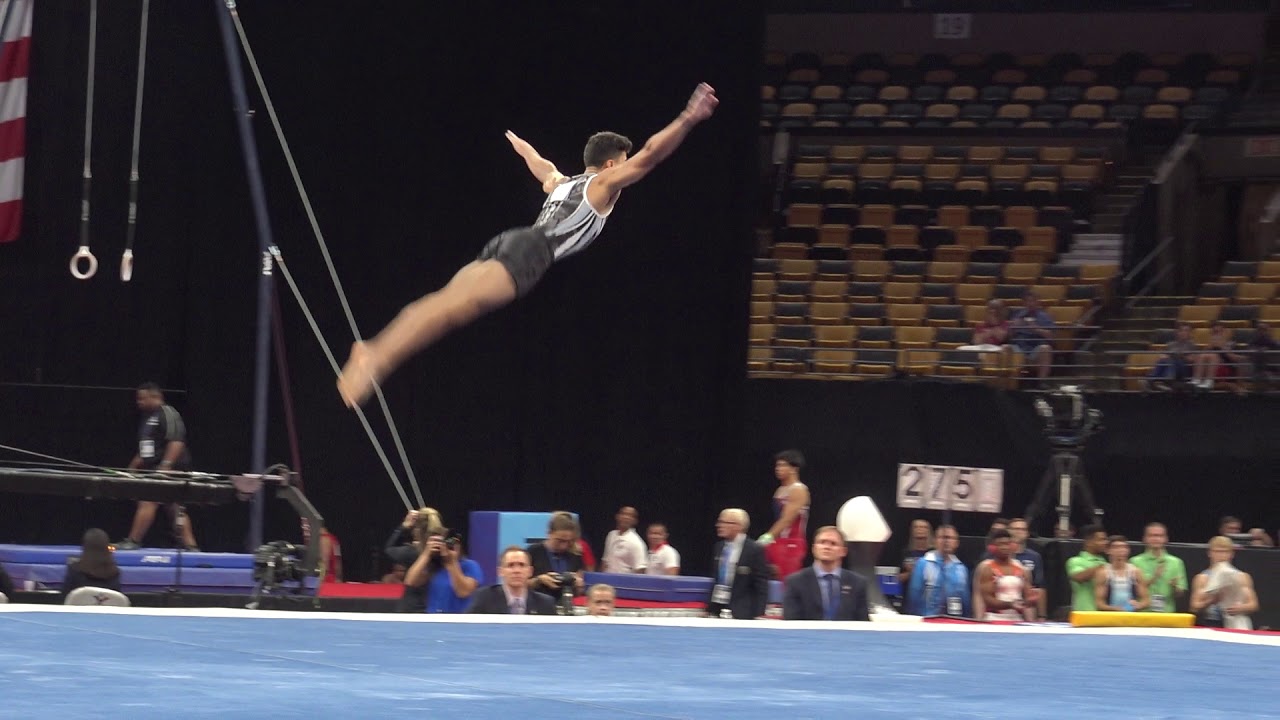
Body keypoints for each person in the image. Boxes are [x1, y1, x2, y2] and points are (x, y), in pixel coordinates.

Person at [336, 83, 720, 407]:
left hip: (512, 240)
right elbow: (651, 156)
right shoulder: (602, 186)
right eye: (620, 164)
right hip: (533, 253)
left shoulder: (561, 182)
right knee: (447, 311)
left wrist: (521, 146)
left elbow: (539, 163)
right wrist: (689, 117)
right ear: (609, 166)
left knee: (445, 302)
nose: (623, 171)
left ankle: (376, 352)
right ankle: (375, 356)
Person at [116, 383, 198, 551]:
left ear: (155, 397)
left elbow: (177, 441)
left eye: (142, 398)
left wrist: (165, 467)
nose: (138, 402)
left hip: (171, 469)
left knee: (148, 500)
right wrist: (131, 468)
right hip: (155, 469)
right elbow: (147, 449)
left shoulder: (168, 413)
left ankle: (133, 540)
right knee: (175, 507)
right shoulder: (147, 419)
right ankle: (191, 546)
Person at [782, 526, 870, 621]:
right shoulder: (795, 582)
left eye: (833, 543)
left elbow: (863, 623)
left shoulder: (857, 583)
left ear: (843, 551)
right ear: (813, 548)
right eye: (822, 542)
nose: (827, 547)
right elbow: (791, 622)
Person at [757, 449, 811, 580]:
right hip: (777, 541)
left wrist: (765, 539)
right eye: (777, 465)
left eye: (782, 465)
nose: (777, 468)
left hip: (792, 544)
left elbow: (786, 520)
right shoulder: (780, 490)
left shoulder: (799, 490)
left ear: (794, 468)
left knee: (786, 582)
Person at [708, 508, 770, 620]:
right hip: (718, 607)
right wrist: (710, 608)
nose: (719, 525)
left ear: (739, 526)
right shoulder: (719, 547)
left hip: (743, 612)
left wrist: (759, 613)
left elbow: (761, 584)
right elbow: (716, 579)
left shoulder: (754, 549)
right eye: (719, 522)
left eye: (724, 522)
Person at [404, 527, 483, 613]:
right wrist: (426, 554)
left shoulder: (470, 565)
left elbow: (463, 592)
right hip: (434, 619)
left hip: (459, 620)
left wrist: (452, 562)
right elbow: (410, 582)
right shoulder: (434, 566)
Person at [1190, 536, 1259, 630]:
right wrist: (1211, 600)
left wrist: (1241, 608)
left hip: (1234, 622)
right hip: (1211, 623)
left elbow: (1253, 604)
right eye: (1217, 552)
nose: (1221, 556)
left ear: (1232, 554)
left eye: (1225, 552)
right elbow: (1194, 606)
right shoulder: (1202, 578)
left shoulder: (1242, 577)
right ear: (1210, 553)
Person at [467, 546, 556, 615]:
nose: (516, 570)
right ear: (500, 571)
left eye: (521, 565)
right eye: (510, 565)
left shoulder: (545, 603)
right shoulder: (484, 598)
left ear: (530, 571)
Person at [905, 524, 970, 618]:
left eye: (950, 538)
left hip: (954, 620)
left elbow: (965, 600)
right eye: (942, 537)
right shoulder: (923, 563)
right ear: (935, 541)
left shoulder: (961, 568)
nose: (946, 541)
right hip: (927, 620)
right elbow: (914, 596)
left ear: (957, 543)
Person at [385, 507, 443, 612]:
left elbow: (389, 550)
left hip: (412, 609)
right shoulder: (442, 552)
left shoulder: (411, 552)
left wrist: (404, 526)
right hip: (436, 607)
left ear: (417, 531)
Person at [974, 529, 1039, 622]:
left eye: (1007, 544)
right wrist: (1009, 604)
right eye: (1000, 544)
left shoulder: (1022, 569)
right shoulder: (987, 568)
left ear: (1012, 546)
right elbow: (987, 599)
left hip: (1017, 620)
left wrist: (1031, 602)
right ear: (993, 547)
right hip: (993, 618)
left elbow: (1027, 599)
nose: (1004, 547)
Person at [1130, 522, 1187, 614]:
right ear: (1144, 539)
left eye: (1160, 536)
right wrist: (1154, 577)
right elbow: (1132, 591)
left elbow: (1180, 594)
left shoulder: (1176, 562)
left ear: (1166, 539)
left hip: (1167, 614)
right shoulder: (1135, 562)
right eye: (1152, 535)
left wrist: (1175, 587)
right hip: (1142, 613)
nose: (1156, 539)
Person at [527, 512, 586, 598]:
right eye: (560, 540)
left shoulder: (575, 555)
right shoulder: (533, 552)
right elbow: (520, 585)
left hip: (566, 603)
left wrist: (578, 585)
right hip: (537, 604)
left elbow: (580, 591)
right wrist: (539, 580)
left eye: (568, 541)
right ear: (549, 533)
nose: (564, 546)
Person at [1094, 535, 1148, 612]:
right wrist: (1117, 609)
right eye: (1116, 547)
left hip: (1130, 616)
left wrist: (1138, 605)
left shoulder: (1136, 572)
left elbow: (1146, 600)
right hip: (1110, 617)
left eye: (1124, 547)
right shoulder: (1103, 573)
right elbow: (1099, 603)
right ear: (1108, 550)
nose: (1121, 550)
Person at [1009, 292, 1055, 381]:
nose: (1030, 303)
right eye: (1027, 301)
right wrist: (1013, 328)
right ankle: (1009, 383)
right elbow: (1009, 336)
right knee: (1005, 347)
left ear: (1038, 303)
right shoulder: (1017, 315)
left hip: (1035, 349)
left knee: (1046, 348)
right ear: (1024, 303)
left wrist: (1036, 329)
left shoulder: (1044, 317)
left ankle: (1041, 382)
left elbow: (1051, 336)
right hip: (1019, 348)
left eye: (1033, 301)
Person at [63, 528, 121, 596]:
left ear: (85, 547)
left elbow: (64, 599)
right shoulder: (115, 573)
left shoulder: (74, 571)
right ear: (106, 547)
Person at [1066, 524, 1108, 612]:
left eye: (1105, 539)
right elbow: (1079, 577)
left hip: (1105, 613)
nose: (1105, 542)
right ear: (1088, 542)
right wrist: (1103, 568)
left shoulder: (1105, 562)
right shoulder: (1075, 561)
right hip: (1084, 611)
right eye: (1101, 540)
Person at [1147, 323, 1195, 390]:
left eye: (1186, 331)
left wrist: (1182, 356)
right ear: (1177, 332)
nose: (1183, 333)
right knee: (1163, 361)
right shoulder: (1171, 344)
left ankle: (1155, 381)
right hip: (1171, 366)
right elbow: (1163, 355)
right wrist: (1166, 356)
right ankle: (1159, 381)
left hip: (1183, 369)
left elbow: (1192, 360)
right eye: (1181, 330)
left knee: (1173, 361)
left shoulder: (1191, 345)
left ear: (1190, 333)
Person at [601, 506, 647, 574]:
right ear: (617, 516)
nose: (626, 517)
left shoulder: (636, 542)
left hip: (624, 582)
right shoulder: (611, 535)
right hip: (607, 580)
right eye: (623, 514)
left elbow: (640, 569)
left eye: (630, 515)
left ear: (635, 521)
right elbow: (605, 561)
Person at [897, 519, 932, 592]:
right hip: (909, 595)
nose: (920, 529)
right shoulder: (906, 553)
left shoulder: (933, 553)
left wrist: (915, 569)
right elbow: (899, 578)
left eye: (923, 527)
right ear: (912, 530)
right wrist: (913, 573)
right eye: (916, 527)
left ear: (929, 531)